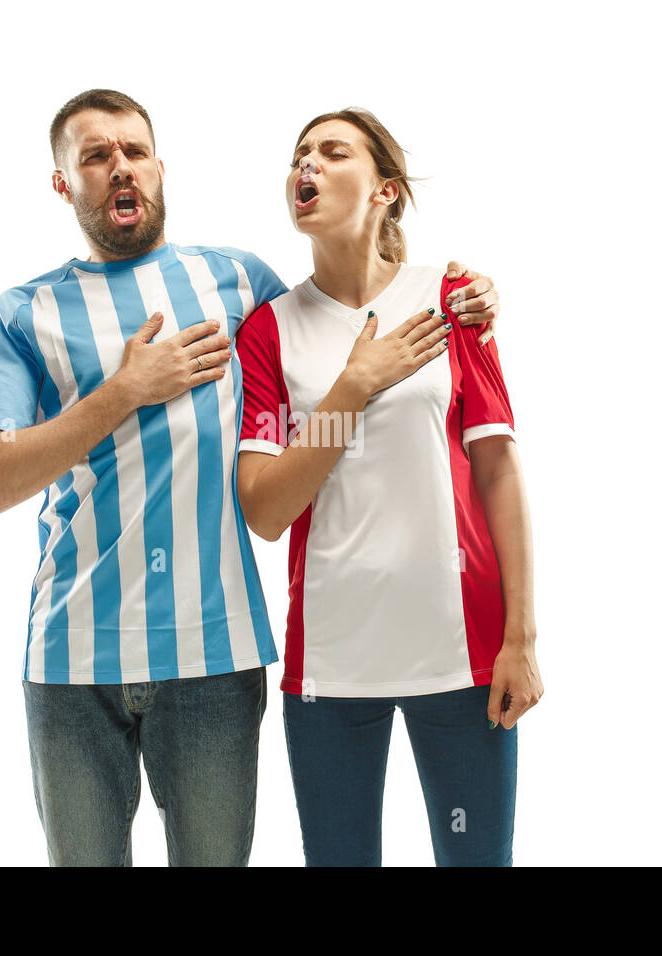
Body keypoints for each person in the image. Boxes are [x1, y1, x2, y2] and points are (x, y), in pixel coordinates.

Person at [0, 89, 503, 866]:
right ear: (62, 183)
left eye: (134, 151)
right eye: (95, 157)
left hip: (214, 659)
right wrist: (125, 391)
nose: (119, 167)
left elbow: (342, 313)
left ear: (160, 166)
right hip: (72, 665)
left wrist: (466, 296)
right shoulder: (22, 311)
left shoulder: (240, 284)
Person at [234, 108, 542, 867]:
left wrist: (522, 638)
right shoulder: (269, 330)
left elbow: (499, 470)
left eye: (333, 152)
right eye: (299, 154)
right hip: (328, 669)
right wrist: (353, 389)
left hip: (462, 656)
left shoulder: (453, 299)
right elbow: (266, 509)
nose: (306, 164)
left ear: (386, 190)